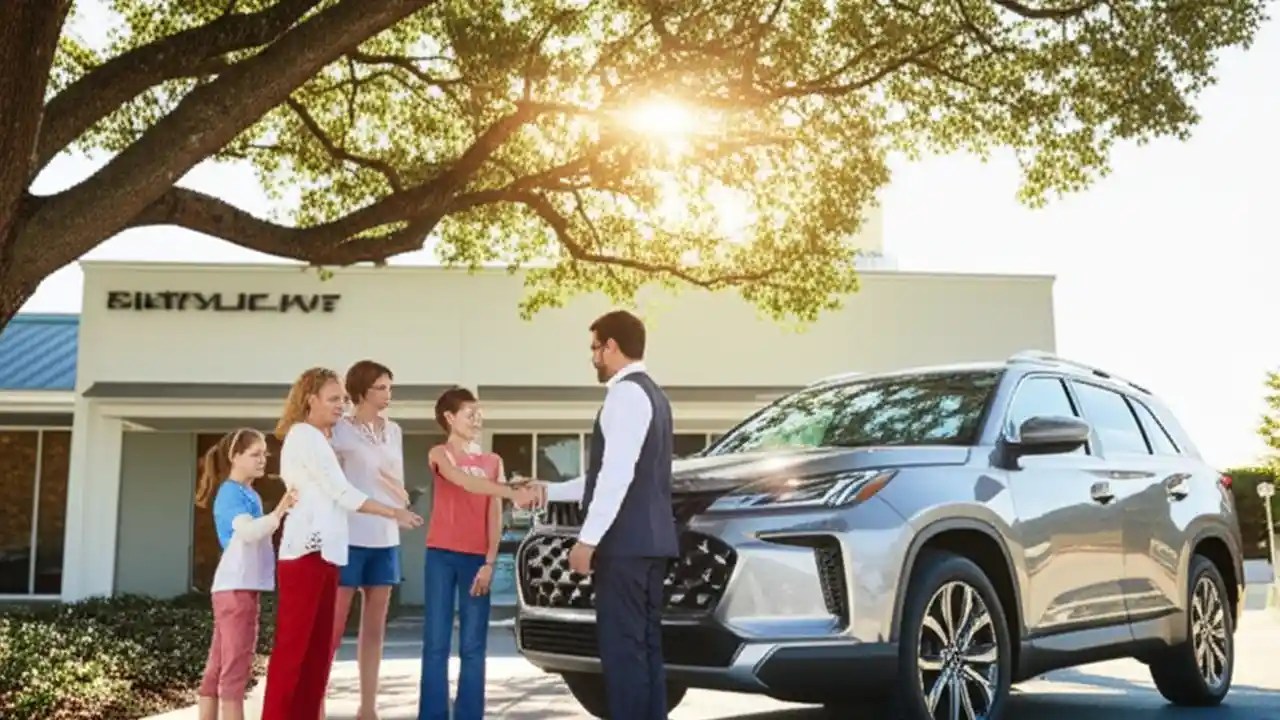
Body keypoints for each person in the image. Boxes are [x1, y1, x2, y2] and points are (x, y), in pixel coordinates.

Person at [533, 310, 679, 720]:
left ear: (612, 347)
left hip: (625, 550)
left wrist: (587, 541)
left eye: (595, 348)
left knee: (622, 652)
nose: (593, 357)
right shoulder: (655, 395)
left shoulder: (625, 395)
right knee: (645, 651)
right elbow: (606, 475)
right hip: (651, 545)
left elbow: (617, 475)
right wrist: (549, 490)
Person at [262, 367, 424, 720]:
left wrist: (396, 503)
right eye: (334, 399)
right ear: (311, 400)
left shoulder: (321, 437)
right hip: (306, 551)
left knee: (316, 654)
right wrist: (392, 512)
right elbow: (343, 492)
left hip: (328, 554)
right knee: (294, 652)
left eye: (342, 400)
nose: (340, 406)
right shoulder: (305, 435)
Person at [419, 387, 541, 720]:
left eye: (480, 413)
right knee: (436, 644)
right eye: (470, 413)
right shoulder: (439, 454)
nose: (478, 419)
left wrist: (490, 561)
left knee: (473, 647)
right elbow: (462, 482)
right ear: (449, 417)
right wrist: (512, 491)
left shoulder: (492, 461)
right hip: (440, 556)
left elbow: (493, 513)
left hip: (476, 560)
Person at [326, 360, 409, 720]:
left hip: (386, 538)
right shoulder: (337, 431)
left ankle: (368, 708)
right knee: (333, 628)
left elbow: (396, 483)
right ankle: (316, 703)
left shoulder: (395, 431)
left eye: (390, 387)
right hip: (348, 536)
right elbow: (332, 485)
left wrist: (402, 502)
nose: (387, 394)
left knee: (374, 630)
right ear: (361, 391)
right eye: (381, 387)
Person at [195, 428, 297, 720]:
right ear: (234, 457)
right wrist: (280, 511)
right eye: (255, 454)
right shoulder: (230, 493)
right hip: (236, 588)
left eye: (264, 454)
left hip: (238, 587)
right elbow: (249, 532)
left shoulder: (247, 492)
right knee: (236, 667)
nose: (263, 459)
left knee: (220, 664)